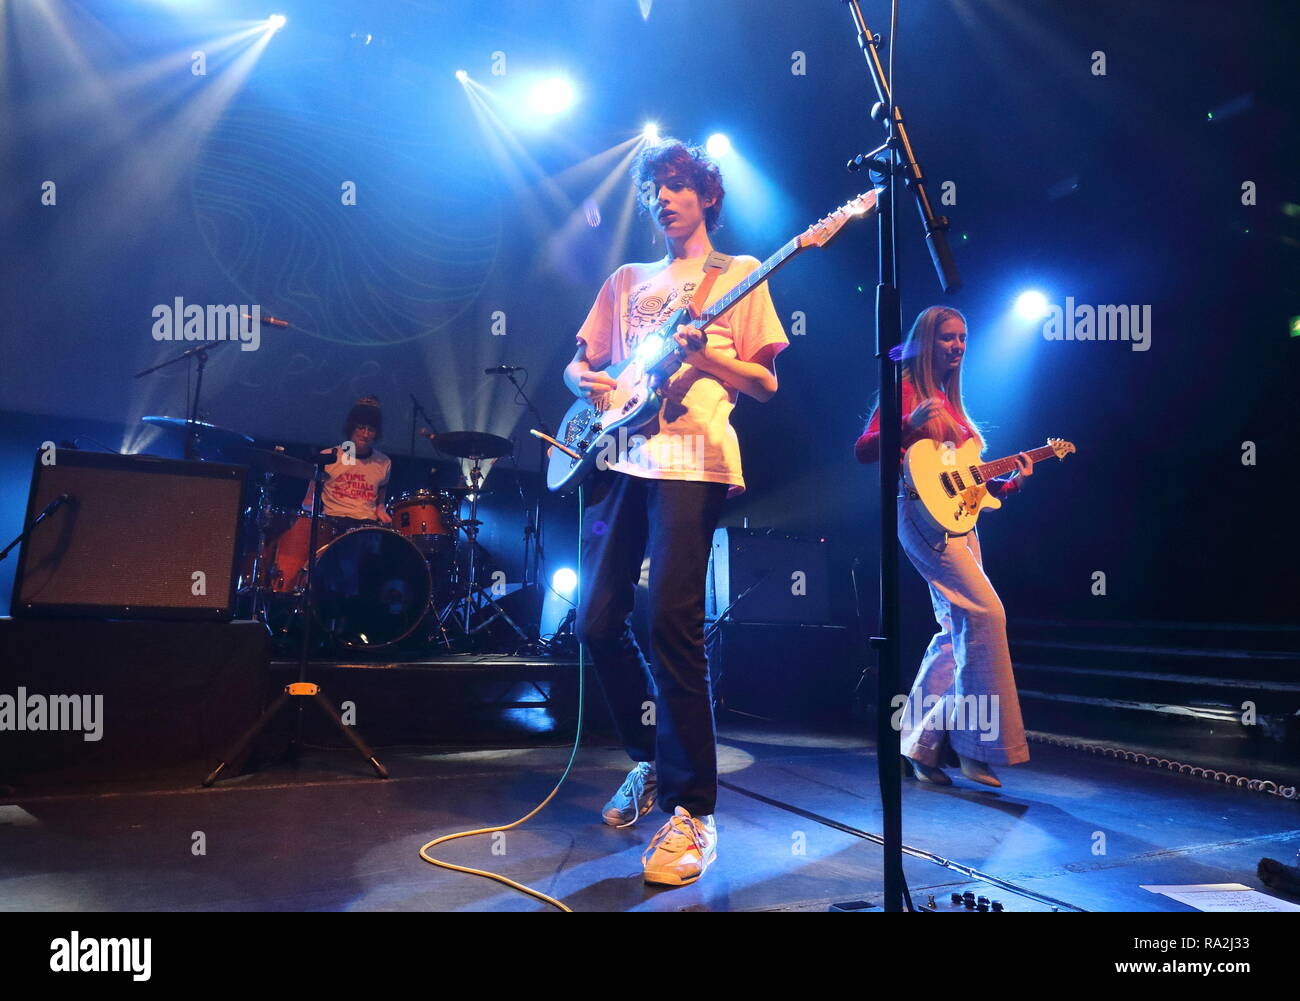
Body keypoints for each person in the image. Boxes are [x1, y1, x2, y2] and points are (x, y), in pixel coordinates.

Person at [564, 139, 788, 885]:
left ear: (707, 197)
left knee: (671, 623)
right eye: (655, 188)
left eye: (678, 186)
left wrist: (703, 358)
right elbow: (579, 360)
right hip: (620, 457)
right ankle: (646, 756)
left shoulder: (738, 274)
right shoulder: (627, 279)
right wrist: (590, 380)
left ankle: (693, 811)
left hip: (695, 460)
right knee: (595, 617)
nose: (664, 198)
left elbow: (763, 383)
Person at [854, 306, 1034, 788]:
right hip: (918, 516)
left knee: (955, 630)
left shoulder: (955, 405)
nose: (957, 347)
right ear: (927, 342)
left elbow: (965, 486)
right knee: (986, 615)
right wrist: (908, 423)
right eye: (947, 339)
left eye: (963, 339)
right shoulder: (906, 389)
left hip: (960, 522)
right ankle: (974, 747)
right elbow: (864, 450)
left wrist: (1009, 484)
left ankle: (919, 746)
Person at [272, 395, 392, 592]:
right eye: (360, 427)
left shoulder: (384, 463)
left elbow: (380, 503)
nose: (365, 434)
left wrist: (382, 511)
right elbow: (309, 500)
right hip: (332, 522)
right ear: (351, 428)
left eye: (371, 429)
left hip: (364, 526)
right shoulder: (330, 456)